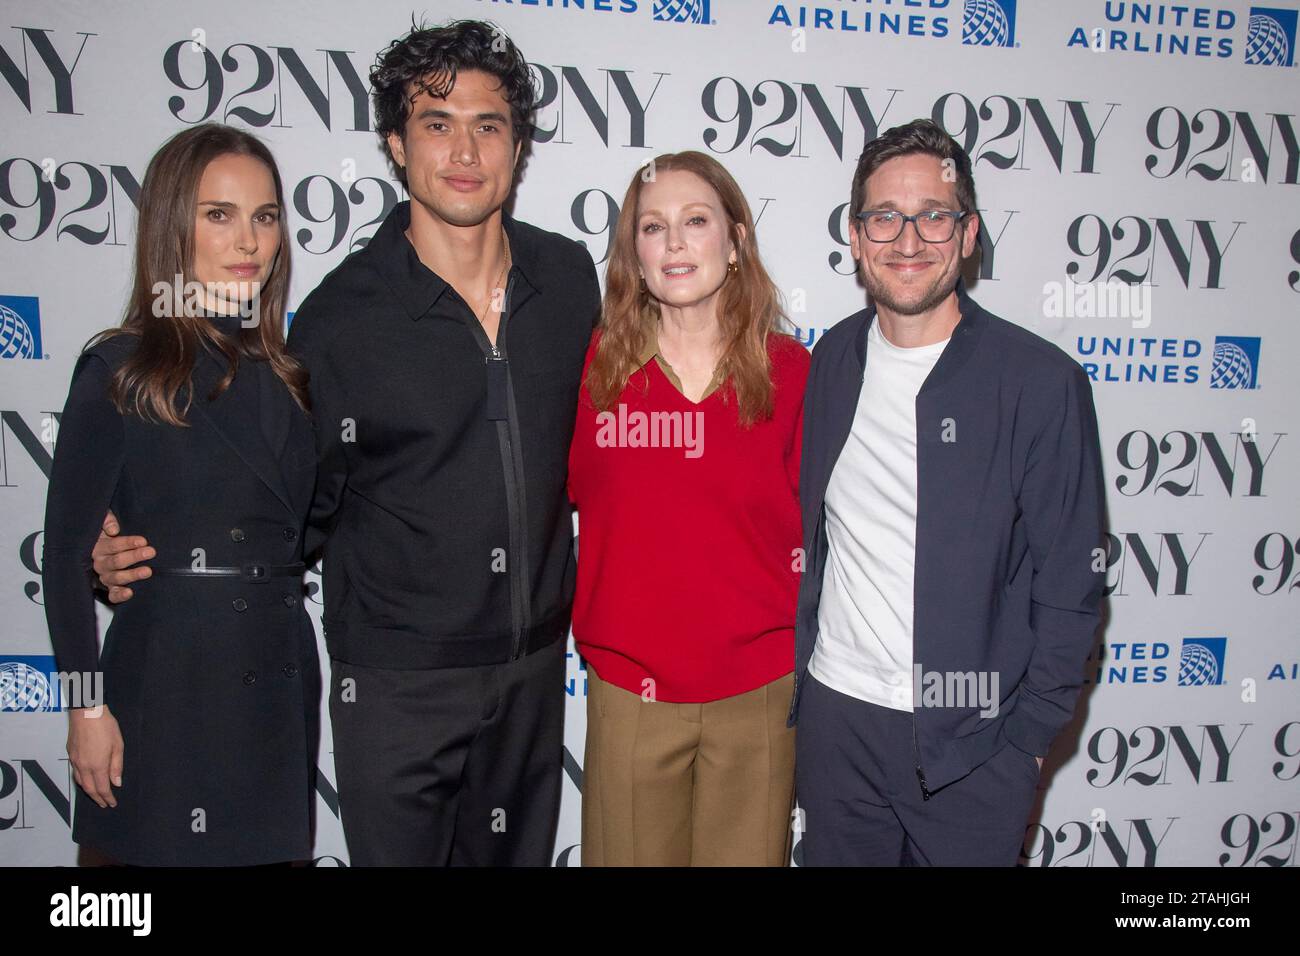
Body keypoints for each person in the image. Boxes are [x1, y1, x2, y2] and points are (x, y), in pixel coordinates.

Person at [92, 20, 600, 866]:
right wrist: (116, 554)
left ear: (519, 145)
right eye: (437, 124)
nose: (465, 149)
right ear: (397, 146)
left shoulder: (570, 278)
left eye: (489, 124)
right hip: (395, 692)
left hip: (534, 676)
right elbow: (280, 505)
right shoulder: (337, 323)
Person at [790, 119, 1105, 866]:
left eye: (934, 215)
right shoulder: (829, 360)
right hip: (839, 725)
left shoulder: (1040, 382)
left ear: (968, 235)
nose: (908, 240)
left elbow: (1071, 584)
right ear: (857, 236)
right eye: (884, 217)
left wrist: (1028, 742)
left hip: (974, 741)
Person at [42, 123, 319, 866]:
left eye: (265, 216)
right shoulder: (121, 368)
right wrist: (86, 706)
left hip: (276, 683)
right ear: (174, 224)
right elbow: (66, 558)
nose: (249, 240)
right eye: (219, 214)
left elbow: (316, 526)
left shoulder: (293, 374)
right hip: (165, 683)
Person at [569, 151, 809, 866]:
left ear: (735, 243)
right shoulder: (589, 370)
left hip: (761, 694)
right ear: (633, 256)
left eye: (696, 220)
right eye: (652, 226)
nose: (674, 242)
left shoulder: (795, 375)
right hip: (631, 696)